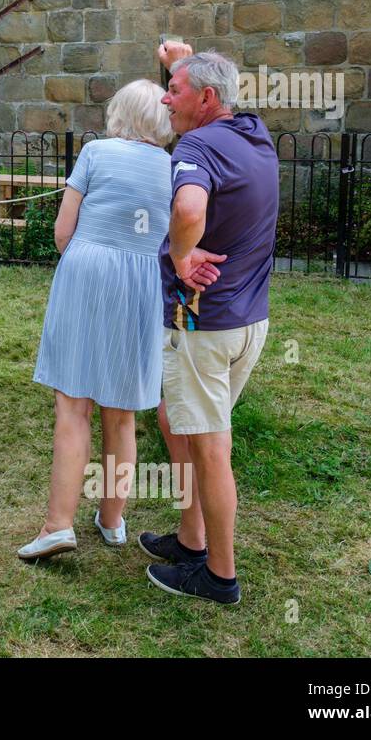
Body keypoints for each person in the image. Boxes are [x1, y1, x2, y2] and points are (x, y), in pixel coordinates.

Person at [140, 44, 279, 605]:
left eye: (173, 91)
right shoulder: (254, 134)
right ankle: (192, 539)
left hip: (201, 321)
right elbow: (208, 84)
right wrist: (182, 60)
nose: (164, 97)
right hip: (249, 321)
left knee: (209, 445)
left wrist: (178, 257)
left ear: (206, 98)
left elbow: (190, 210)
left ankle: (218, 576)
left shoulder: (197, 144)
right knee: (176, 420)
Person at [18, 79, 174, 561]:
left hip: (87, 272)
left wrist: (82, 258)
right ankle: (111, 520)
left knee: (73, 405)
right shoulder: (175, 168)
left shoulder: (97, 153)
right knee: (122, 414)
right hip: (141, 283)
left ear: (119, 114)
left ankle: (57, 525)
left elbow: (63, 230)